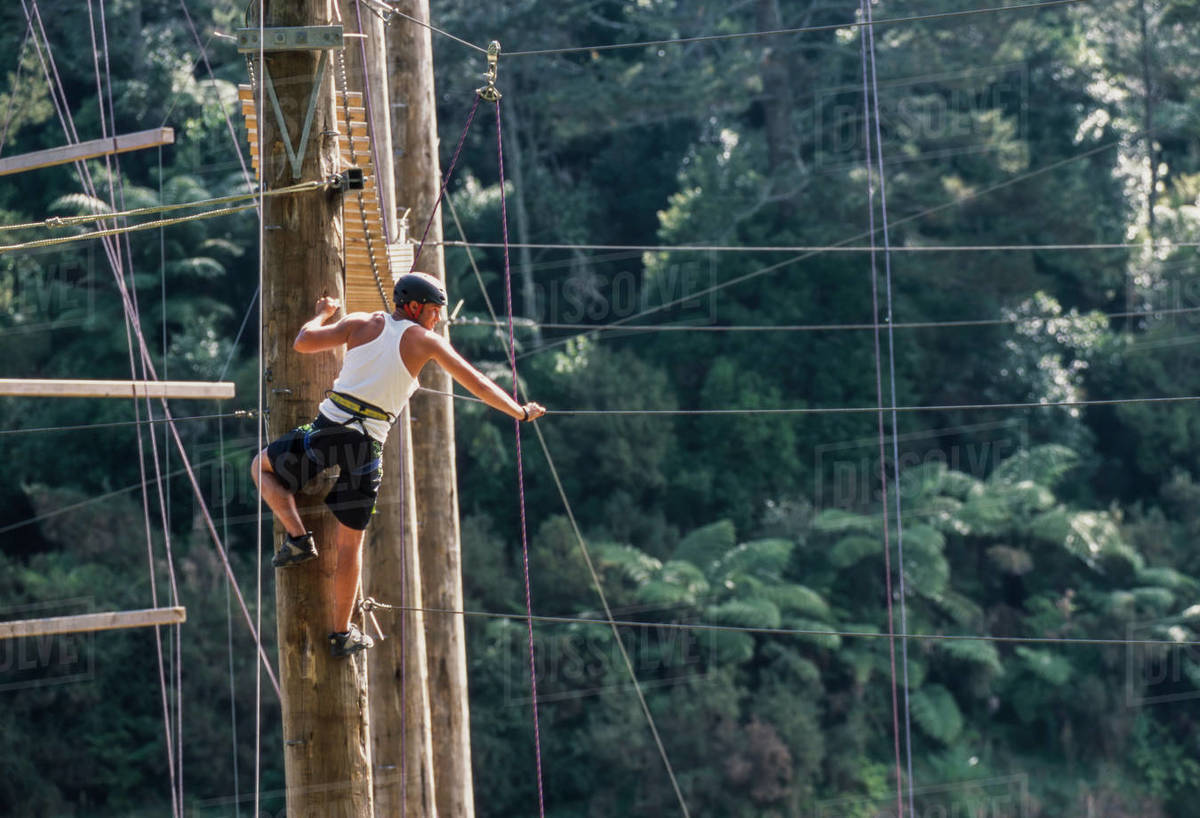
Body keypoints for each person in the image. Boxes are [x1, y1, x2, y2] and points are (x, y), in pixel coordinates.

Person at [251, 272, 546, 657]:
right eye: (433, 311)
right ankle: (341, 634)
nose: (437, 319)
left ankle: (298, 537)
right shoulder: (425, 341)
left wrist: (322, 314)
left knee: (261, 467)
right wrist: (519, 412)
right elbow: (475, 382)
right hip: (366, 447)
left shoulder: (362, 322)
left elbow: (303, 342)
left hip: (327, 430)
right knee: (349, 547)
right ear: (413, 307)